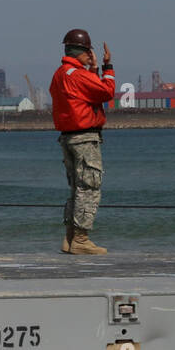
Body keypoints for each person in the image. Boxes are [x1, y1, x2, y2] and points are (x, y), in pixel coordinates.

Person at [49, 28, 115, 254]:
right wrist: (107, 68)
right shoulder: (77, 75)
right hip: (84, 138)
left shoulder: (60, 74)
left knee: (77, 188)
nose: (91, 55)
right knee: (89, 186)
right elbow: (105, 92)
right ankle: (80, 239)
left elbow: (91, 91)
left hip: (67, 138)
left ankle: (69, 238)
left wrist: (93, 69)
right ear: (80, 51)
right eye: (89, 51)